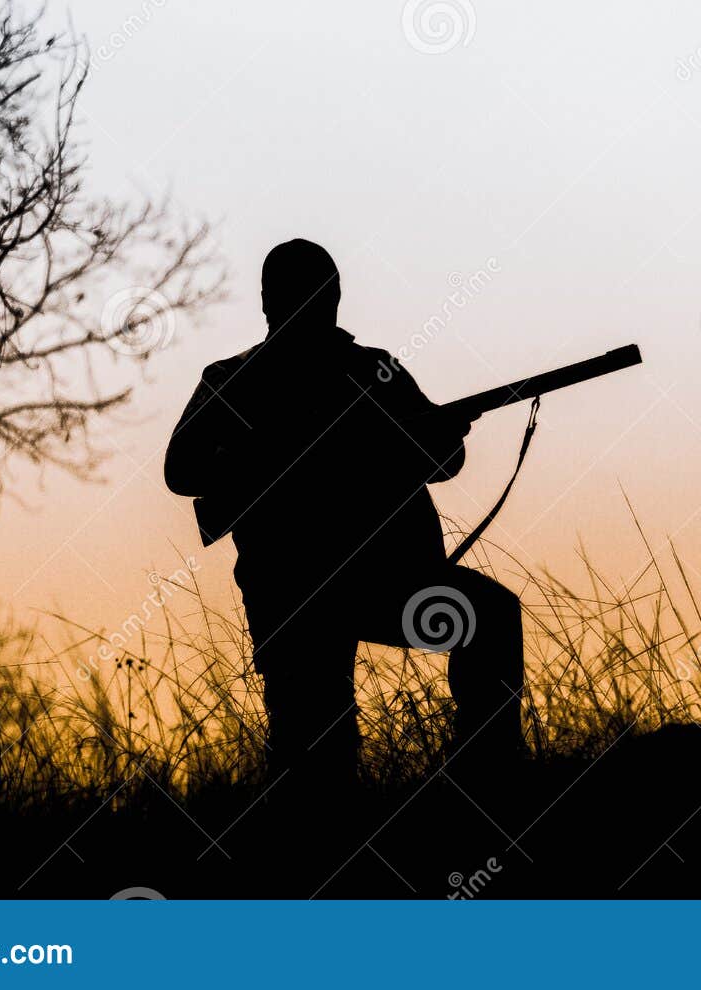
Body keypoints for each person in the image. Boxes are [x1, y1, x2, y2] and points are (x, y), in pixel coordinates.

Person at [163, 238, 524, 794]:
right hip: (295, 592)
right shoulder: (237, 380)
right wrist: (280, 457)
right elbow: (182, 470)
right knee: (315, 764)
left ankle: (487, 779)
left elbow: (445, 463)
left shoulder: (372, 371)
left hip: (384, 580)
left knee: (490, 616)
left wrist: (431, 433)